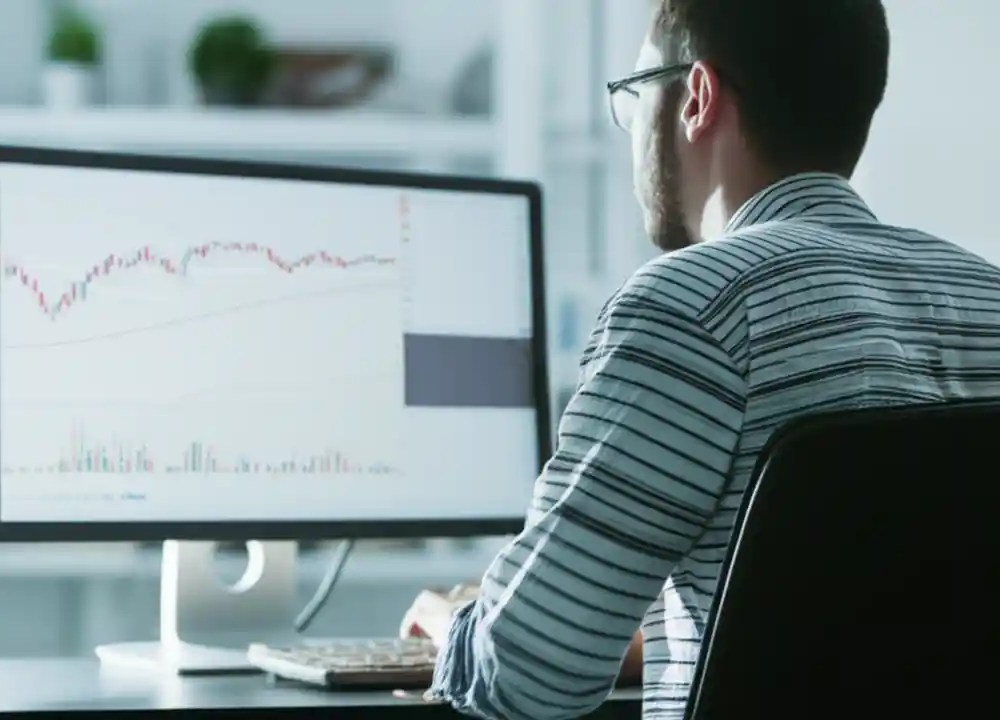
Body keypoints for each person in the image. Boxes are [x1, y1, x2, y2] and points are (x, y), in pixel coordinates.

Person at [400, 1, 1000, 718]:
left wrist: (454, 625)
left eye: (636, 92)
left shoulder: (694, 309)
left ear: (697, 98)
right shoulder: (985, 296)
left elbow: (530, 674)